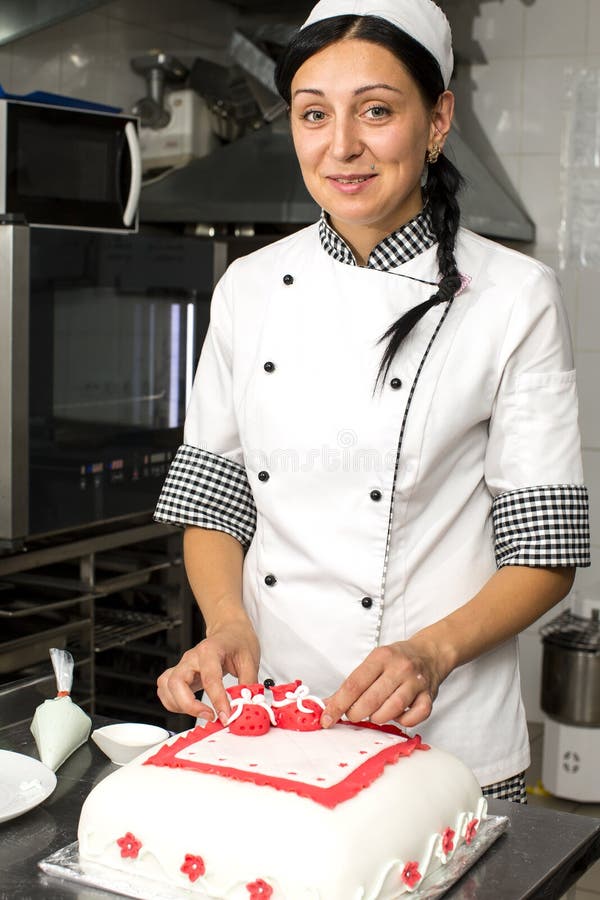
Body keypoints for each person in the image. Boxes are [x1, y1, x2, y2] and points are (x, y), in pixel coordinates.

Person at [154, 0, 590, 802]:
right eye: (314, 114)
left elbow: (545, 552)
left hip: (444, 740)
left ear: (437, 121)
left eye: (377, 111)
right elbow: (215, 499)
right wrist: (228, 624)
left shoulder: (514, 297)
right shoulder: (249, 288)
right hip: (273, 723)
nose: (342, 146)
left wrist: (432, 651)